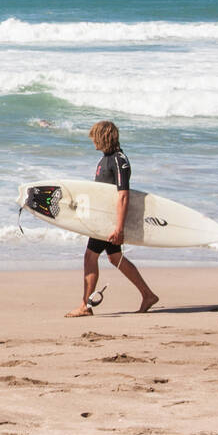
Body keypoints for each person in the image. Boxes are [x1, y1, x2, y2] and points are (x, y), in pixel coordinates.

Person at [66, 121, 159, 317]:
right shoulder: (104, 160)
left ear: (103, 137)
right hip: (103, 220)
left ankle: (85, 306)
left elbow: (123, 195)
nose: (93, 142)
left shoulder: (119, 160)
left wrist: (119, 227)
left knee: (90, 257)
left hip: (109, 222)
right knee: (115, 257)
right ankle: (148, 294)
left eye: (95, 138)